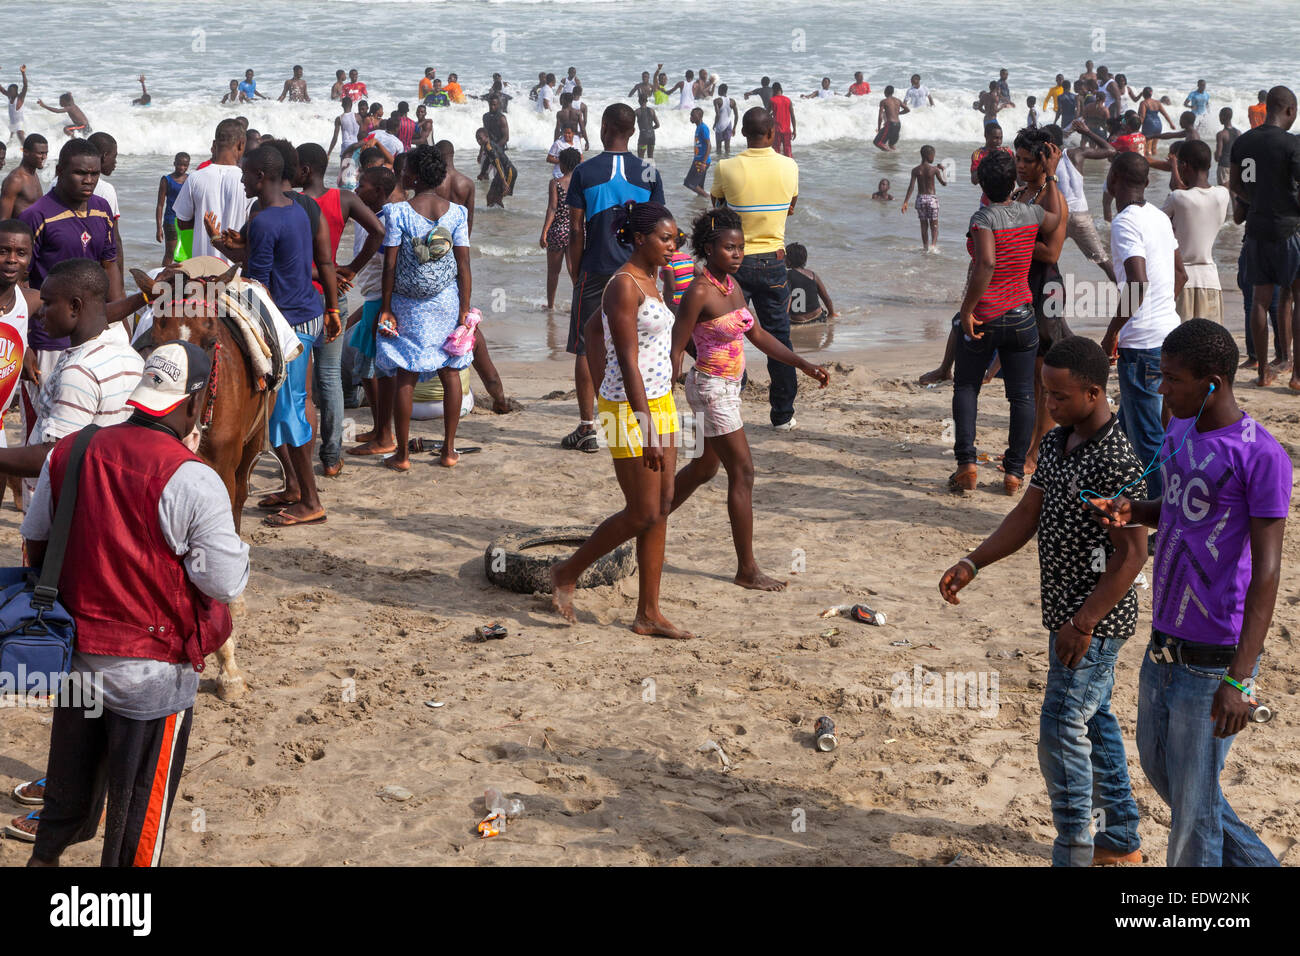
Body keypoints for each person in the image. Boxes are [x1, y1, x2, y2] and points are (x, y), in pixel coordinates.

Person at [19, 338, 248, 868]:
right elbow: (222, 583)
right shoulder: (195, 478)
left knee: (66, 795)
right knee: (136, 821)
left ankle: (44, 861)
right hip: (152, 675)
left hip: (76, 658)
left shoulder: (71, 450)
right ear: (195, 405)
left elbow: (36, 542)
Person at [941, 335, 1148, 866]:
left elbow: (1132, 554)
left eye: (1059, 397)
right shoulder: (1058, 444)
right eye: (1044, 394)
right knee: (1094, 719)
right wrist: (973, 562)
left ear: (1095, 393)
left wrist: (1083, 622)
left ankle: (1075, 849)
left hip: (1094, 620)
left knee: (1060, 726)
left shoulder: (1117, 455)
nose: (1048, 406)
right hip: (1068, 615)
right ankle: (1120, 841)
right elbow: (1026, 516)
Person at [1091, 320, 1290, 867]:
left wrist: (1240, 678)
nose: (1161, 390)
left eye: (1172, 380)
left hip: (1215, 659)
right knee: (1168, 778)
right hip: (1164, 644)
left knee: (1193, 819)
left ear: (1213, 383)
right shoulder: (1180, 429)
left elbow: (1268, 573)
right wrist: (1137, 511)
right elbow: (1179, 511)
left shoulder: (1261, 455)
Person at [549, 201, 691, 640]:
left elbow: (593, 331)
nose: (673, 246)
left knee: (663, 506)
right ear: (640, 238)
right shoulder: (622, 286)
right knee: (642, 510)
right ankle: (566, 572)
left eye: (676, 239)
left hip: (660, 401)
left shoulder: (655, 279)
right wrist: (606, 377)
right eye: (666, 239)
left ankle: (648, 613)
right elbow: (627, 360)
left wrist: (602, 364)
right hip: (627, 410)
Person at [670, 208, 829, 590]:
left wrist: (803, 364)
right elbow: (676, 346)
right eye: (729, 248)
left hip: (726, 389)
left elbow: (757, 335)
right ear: (709, 249)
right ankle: (747, 570)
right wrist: (667, 391)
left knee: (704, 469)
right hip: (710, 390)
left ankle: (648, 517)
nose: (738, 254)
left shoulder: (732, 286)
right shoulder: (699, 291)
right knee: (743, 473)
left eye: (741, 247)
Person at [948, 147, 1061, 495]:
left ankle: (967, 464)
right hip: (1022, 316)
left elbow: (986, 264)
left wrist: (967, 310)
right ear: (1013, 180)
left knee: (967, 386)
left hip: (986, 316)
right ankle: (1014, 473)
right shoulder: (1031, 213)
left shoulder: (982, 219)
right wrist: (1052, 174)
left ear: (981, 183)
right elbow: (1057, 219)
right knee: (1022, 394)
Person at [240, 144, 336, 525]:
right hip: (308, 314)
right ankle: (294, 488)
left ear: (260, 177)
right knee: (288, 407)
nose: (243, 181)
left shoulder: (263, 221)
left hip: (287, 325)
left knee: (291, 411)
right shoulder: (297, 210)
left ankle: (310, 501)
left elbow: (259, 287)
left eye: (246, 175)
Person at [561, 104, 665, 453]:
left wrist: (576, 271)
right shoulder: (649, 171)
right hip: (637, 273)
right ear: (633, 131)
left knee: (584, 343)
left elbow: (576, 229)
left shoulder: (585, 171)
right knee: (635, 346)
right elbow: (658, 228)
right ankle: (630, 420)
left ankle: (588, 426)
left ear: (604, 127)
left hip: (596, 268)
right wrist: (654, 273)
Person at [368, 144, 473, 472]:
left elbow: (390, 265)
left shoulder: (397, 213)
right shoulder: (457, 213)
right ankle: (449, 450)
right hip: (446, 302)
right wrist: (464, 312)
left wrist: (386, 306)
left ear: (411, 176)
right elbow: (464, 265)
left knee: (406, 373)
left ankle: (402, 456)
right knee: (450, 370)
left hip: (407, 304)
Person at [18, 139, 122, 450]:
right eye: (80, 173)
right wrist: (23, 344)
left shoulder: (102, 210)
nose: (89, 180)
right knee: (45, 430)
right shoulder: (36, 216)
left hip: (95, 335)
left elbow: (110, 265)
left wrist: (120, 324)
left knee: (93, 425)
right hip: (48, 339)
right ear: (60, 170)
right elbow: (19, 283)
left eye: (94, 174)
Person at [297, 142, 384, 478]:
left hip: (301, 295)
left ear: (303, 169)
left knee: (301, 383)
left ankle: (299, 455)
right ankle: (331, 457)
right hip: (334, 293)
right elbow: (378, 231)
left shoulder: (292, 202)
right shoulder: (343, 199)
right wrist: (350, 269)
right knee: (330, 377)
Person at [1102, 152, 1186, 502]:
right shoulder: (1159, 217)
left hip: (1142, 345)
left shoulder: (1125, 222)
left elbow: (1137, 282)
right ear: (1147, 182)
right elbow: (1181, 275)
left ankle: (1160, 516)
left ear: (1115, 178)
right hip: (1168, 333)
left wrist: (1111, 334)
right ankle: (1118, 494)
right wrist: (1160, 310)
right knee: (1124, 429)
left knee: (1149, 436)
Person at [710, 108, 799, 429]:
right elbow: (790, 208)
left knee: (727, 336)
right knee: (779, 338)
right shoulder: (790, 166)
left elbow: (718, 212)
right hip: (775, 262)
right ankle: (783, 416)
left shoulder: (725, 167)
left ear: (739, 132)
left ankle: (730, 404)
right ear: (773, 133)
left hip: (736, 262)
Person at [1228, 86, 1300, 389]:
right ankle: (1297, 376)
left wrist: (1257, 199)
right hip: (1289, 229)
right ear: (1289, 111)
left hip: (1256, 229)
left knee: (1259, 301)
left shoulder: (1244, 142)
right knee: (1297, 298)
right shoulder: (1292, 145)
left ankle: (1263, 374)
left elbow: (1238, 185)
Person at [1012, 127, 1071, 477]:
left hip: (1046, 286)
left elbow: (1052, 250)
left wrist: (1009, 243)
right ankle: (1033, 443)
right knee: (1029, 373)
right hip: (1024, 285)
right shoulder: (1023, 193)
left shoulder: (1053, 197)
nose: (1020, 165)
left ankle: (1037, 449)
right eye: (1017, 158)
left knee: (1042, 373)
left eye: (1027, 160)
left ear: (1042, 162)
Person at [1163, 140, 1230, 323]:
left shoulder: (1177, 198)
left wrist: (1173, 167)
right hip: (1210, 280)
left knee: (1180, 346)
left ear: (1184, 166)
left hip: (1181, 281)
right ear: (1209, 165)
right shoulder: (1222, 195)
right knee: (1210, 346)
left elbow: (1159, 227)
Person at [171, 118, 248, 263]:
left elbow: (182, 222)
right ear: (241, 145)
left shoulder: (195, 177)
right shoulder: (248, 182)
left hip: (203, 267)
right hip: (236, 271)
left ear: (214, 144)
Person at [542, 147, 581, 310]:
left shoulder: (556, 183)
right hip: (576, 231)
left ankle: (550, 305)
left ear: (563, 164)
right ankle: (578, 304)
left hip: (558, 231)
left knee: (553, 272)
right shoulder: (582, 183)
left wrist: (544, 232)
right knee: (575, 272)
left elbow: (552, 208)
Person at [900, 144, 946, 251]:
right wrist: (943, 170)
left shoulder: (915, 170)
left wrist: (905, 202)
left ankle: (925, 247)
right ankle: (933, 247)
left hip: (920, 199)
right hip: (931, 199)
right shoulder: (934, 170)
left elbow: (911, 187)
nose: (933, 158)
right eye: (933, 156)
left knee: (924, 225)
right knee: (934, 225)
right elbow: (944, 183)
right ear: (928, 156)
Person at [154, 152, 190, 266]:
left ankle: (181, 281)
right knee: (171, 253)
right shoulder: (166, 180)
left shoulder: (190, 179)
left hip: (187, 222)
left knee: (185, 254)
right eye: (179, 164)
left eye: (185, 165)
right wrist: (159, 228)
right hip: (171, 221)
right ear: (174, 163)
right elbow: (160, 205)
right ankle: (162, 280)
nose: (182, 168)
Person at [785, 242, 836, 323]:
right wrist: (831, 314)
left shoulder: (786, 276)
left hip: (795, 321)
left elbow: (787, 299)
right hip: (816, 318)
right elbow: (827, 299)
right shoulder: (813, 275)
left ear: (789, 261)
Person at [0, 133, 47, 218]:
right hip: (20, 229)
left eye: (46, 153)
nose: (44, 157)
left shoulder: (34, 175)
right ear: (25, 152)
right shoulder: (15, 180)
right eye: (40, 153)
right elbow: (3, 220)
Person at [475, 127, 517, 208]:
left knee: (497, 198)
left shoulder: (490, 148)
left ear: (487, 137)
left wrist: (504, 182)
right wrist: (482, 173)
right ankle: (493, 217)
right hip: (501, 173)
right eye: (477, 139)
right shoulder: (486, 146)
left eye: (480, 138)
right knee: (489, 197)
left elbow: (498, 165)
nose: (478, 141)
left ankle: (502, 218)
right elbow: (487, 160)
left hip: (508, 172)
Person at [683, 107, 711, 198]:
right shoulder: (698, 127)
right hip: (697, 160)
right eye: (690, 115)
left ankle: (709, 198)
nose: (691, 117)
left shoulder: (703, 128)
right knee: (700, 186)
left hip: (701, 162)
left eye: (693, 115)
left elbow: (709, 145)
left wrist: (703, 163)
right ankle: (701, 208)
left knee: (689, 183)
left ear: (699, 116)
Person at [873, 85, 909, 152]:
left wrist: (878, 128)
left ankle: (891, 154)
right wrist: (898, 113)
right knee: (891, 144)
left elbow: (880, 116)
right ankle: (894, 157)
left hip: (890, 124)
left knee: (878, 142)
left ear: (885, 92)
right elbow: (907, 110)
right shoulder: (898, 100)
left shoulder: (884, 101)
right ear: (892, 92)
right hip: (898, 124)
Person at [1213, 107, 1240, 187]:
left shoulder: (1221, 134)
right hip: (1235, 165)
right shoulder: (1239, 132)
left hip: (1224, 165)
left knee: (1224, 192)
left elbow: (1218, 156)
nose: (1219, 118)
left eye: (1220, 116)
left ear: (1223, 117)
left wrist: (1215, 154)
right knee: (1234, 193)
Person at [327, 96, 360, 161]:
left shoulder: (339, 118)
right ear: (351, 104)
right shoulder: (357, 117)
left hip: (346, 146)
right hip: (356, 145)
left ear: (342, 105)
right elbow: (362, 133)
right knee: (355, 170)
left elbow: (335, 138)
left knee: (344, 169)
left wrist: (329, 153)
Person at [769, 83, 795, 157]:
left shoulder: (772, 100)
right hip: (787, 130)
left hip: (777, 130)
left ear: (773, 90)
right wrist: (795, 129)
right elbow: (792, 116)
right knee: (788, 152)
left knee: (776, 152)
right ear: (781, 90)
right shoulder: (788, 100)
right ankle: (790, 167)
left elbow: (766, 115)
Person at [713, 84, 737, 157]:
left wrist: (714, 124)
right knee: (727, 148)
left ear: (720, 90)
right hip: (728, 125)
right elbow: (736, 115)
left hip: (720, 125)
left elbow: (718, 115)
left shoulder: (717, 101)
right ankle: (727, 161)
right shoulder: (732, 101)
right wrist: (734, 127)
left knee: (719, 148)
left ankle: (719, 162)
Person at [5, 65, 28, 142]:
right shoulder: (10, 97)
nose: (9, 92)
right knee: (11, 141)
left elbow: (25, 86)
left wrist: (23, 73)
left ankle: (28, 149)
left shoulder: (20, 98)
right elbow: (1, 89)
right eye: (9, 91)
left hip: (20, 124)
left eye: (11, 91)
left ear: (16, 91)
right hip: (12, 124)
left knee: (20, 136)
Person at [634, 93, 659, 159]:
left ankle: (640, 169)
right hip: (652, 135)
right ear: (646, 101)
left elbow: (630, 124)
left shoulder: (637, 111)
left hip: (643, 136)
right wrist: (651, 129)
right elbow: (658, 125)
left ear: (639, 101)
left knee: (640, 157)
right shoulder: (652, 111)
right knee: (650, 157)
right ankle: (651, 169)